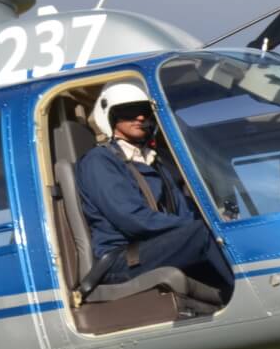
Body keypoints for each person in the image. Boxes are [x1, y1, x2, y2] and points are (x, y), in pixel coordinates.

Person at [76, 82, 232, 296]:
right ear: (110, 116)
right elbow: (133, 220)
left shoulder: (155, 162)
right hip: (122, 258)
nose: (140, 117)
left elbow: (183, 211)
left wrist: (218, 220)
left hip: (154, 248)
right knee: (204, 234)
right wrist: (205, 225)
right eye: (129, 111)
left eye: (144, 111)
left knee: (220, 234)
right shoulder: (99, 161)